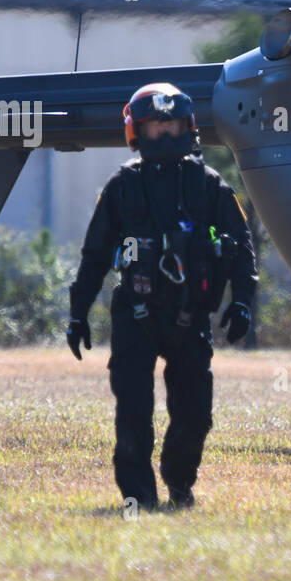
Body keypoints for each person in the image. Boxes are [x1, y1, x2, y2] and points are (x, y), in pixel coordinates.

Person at [67, 82, 257, 511]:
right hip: (136, 314)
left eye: (172, 124)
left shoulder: (210, 185)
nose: (166, 134)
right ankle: (140, 498)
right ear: (138, 132)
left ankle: (179, 482)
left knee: (195, 416)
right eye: (155, 126)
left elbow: (242, 248)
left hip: (191, 316)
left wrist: (242, 301)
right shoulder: (121, 186)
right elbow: (95, 254)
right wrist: (78, 313)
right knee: (134, 412)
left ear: (188, 127)